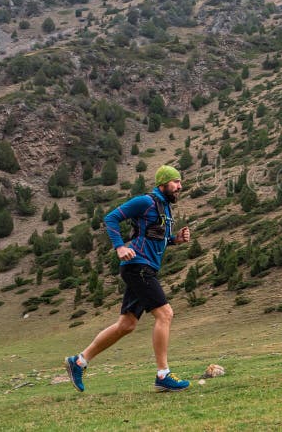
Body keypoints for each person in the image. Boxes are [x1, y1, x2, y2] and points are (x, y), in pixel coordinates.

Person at [65, 165, 192, 392]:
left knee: (127, 324)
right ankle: (163, 375)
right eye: (175, 182)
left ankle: (79, 361)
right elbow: (111, 218)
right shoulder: (146, 201)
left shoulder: (164, 208)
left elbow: (154, 237)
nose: (179, 186)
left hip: (146, 267)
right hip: (137, 266)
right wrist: (119, 247)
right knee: (165, 314)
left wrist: (175, 240)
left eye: (180, 182)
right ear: (162, 183)